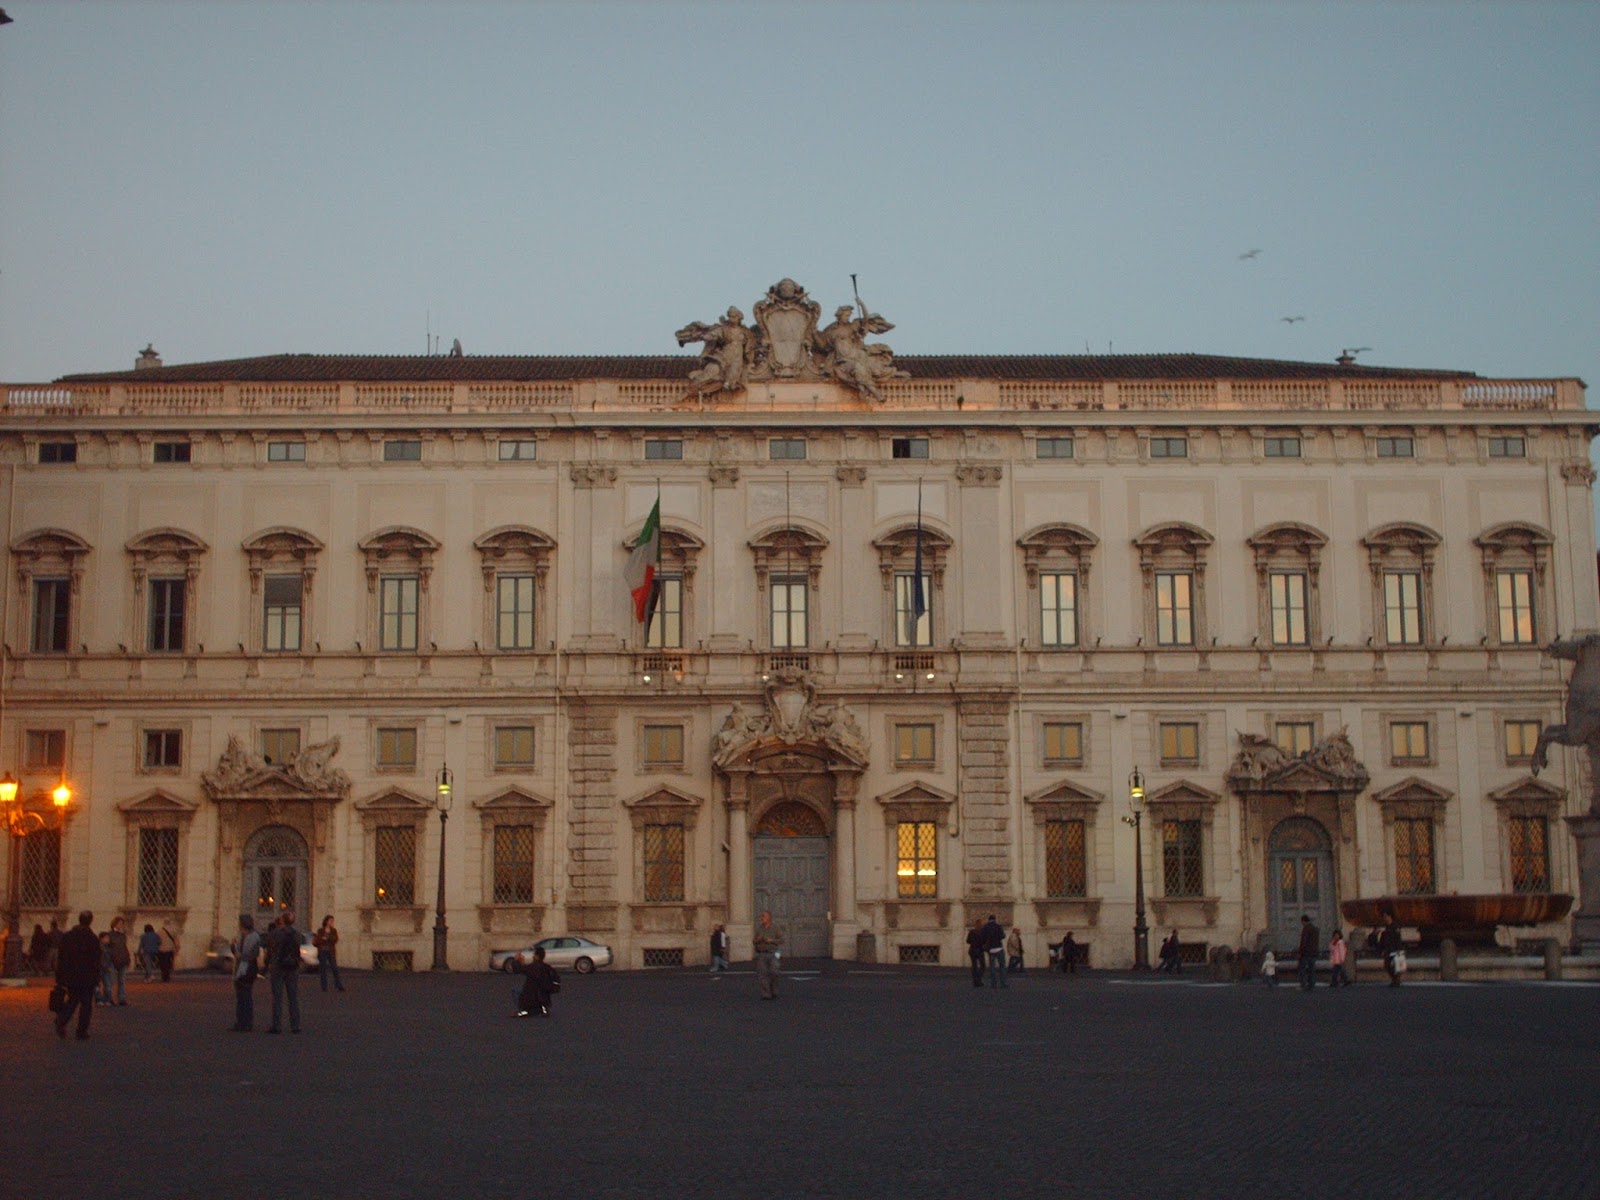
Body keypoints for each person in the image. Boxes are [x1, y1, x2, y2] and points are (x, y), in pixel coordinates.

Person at [54, 910, 103, 1040]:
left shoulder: (68, 937)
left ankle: (61, 1020)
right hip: (87, 977)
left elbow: (61, 957)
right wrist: (97, 977)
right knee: (86, 1005)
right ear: (90, 921)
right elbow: (96, 960)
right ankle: (81, 1031)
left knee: (72, 1000)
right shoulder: (92, 938)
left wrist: (60, 976)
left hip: (71, 976)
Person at [264, 908, 303, 1033]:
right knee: (293, 997)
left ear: (282, 920)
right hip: (292, 967)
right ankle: (295, 1025)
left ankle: (277, 1025)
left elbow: (269, 950)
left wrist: (267, 964)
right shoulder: (297, 934)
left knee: (277, 997)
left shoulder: (275, 933)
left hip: (278, 966)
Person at [230, 914, 262, 1032]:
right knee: (240, 996)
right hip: (240, 967)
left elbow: (252, 954)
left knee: (246, 995)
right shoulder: (240, 936)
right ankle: (241, 1021)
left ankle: (247, 1022)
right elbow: (236, 952)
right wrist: (233, 946)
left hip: (248, 968)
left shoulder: (254, 937)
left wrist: (240, 955)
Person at [514, 945, 560, 1017]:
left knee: (515, 991)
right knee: (540, 993)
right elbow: (556, 977)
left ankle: (524, 1010)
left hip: (531, 994)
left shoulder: (533, 967)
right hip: (544, 994)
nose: (533, 956)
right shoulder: (547, 967)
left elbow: (519, 969)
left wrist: (517, 960)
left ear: (537, 956)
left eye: (534, 955)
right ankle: (543, 1008)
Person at [753, 910, 784, 999]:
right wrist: (757, 940)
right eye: (762, 916)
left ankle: (774, 990)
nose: (762, 918)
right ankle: (766, 994)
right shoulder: (759, 928)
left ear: (769, 918)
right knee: (762, 974)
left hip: (773, 953)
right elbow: (754, 941)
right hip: (761, 953)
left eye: (764, 916)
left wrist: (771, 941)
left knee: (774, 972)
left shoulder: (775, 928)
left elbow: (781, 940)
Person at [102, 916, 132, 1005]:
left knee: (122, 981)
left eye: (122, 924)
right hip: (112, 960)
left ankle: (122, 998)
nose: (121, 925)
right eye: (119, 923)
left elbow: (124, 947)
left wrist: (128, 958)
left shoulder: (123, 935)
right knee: (110, 981)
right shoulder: (109, 935)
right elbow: (105, 947)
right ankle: (109, 998)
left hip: (122, 959)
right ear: (114, 924)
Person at [314, 915, 344, 992]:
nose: (332, 922)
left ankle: (338, 985)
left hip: (330, 951)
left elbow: (335, 939)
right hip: (322, 951)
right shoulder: (320, 930)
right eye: (330, 921)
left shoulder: (333, 930)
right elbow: (317, 940)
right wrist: (322, 939)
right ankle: (324, 986)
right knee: (323, 969)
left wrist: (328, 937)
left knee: (334, 968)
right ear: (326, 921)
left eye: (332, 921)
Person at [1378, 912, 1405, 988]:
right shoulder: (1387, 927)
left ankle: (1396, 980)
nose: (1384, 918)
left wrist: (1399, 950)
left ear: (1390, 916)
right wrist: (1382, 949)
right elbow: (1384, 940)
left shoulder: (1395, 927)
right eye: (1384, 917)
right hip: (1388, 950)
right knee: (1387, 965)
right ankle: (1394, 979)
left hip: (1394, 949)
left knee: (1395, 965)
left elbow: (1398, 940)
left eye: (1385, 916)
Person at [981, 914, 1007, 989]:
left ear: (989, 919)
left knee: (992, 967)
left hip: (991, 949)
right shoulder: (998, 926)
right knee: (1002, 966)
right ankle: (1003, 983)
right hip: (999, 948)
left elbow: (982, 937)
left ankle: (993, 984)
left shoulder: (985, 927)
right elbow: (1003, 936)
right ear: (995, 919)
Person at [1297, 914, 1320, 991]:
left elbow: (1304, 942)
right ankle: (1311, 985)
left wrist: (1300, 952)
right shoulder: (1315, 929)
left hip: (1306, 953)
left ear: (1303, 921)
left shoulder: (1306, 929)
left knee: (1302, 969)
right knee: (1312, 970)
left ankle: (1303, 985)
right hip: (1314, 952)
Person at [966, 918, 986, 989]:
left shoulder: (971, 932)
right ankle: (979, 979)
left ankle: (975, 980)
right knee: (982, 965)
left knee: (974, 966)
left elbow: (968, 941)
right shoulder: (982, 932)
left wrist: (973, 942)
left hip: (972, 950)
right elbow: (984, 941)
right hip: (979, 950)